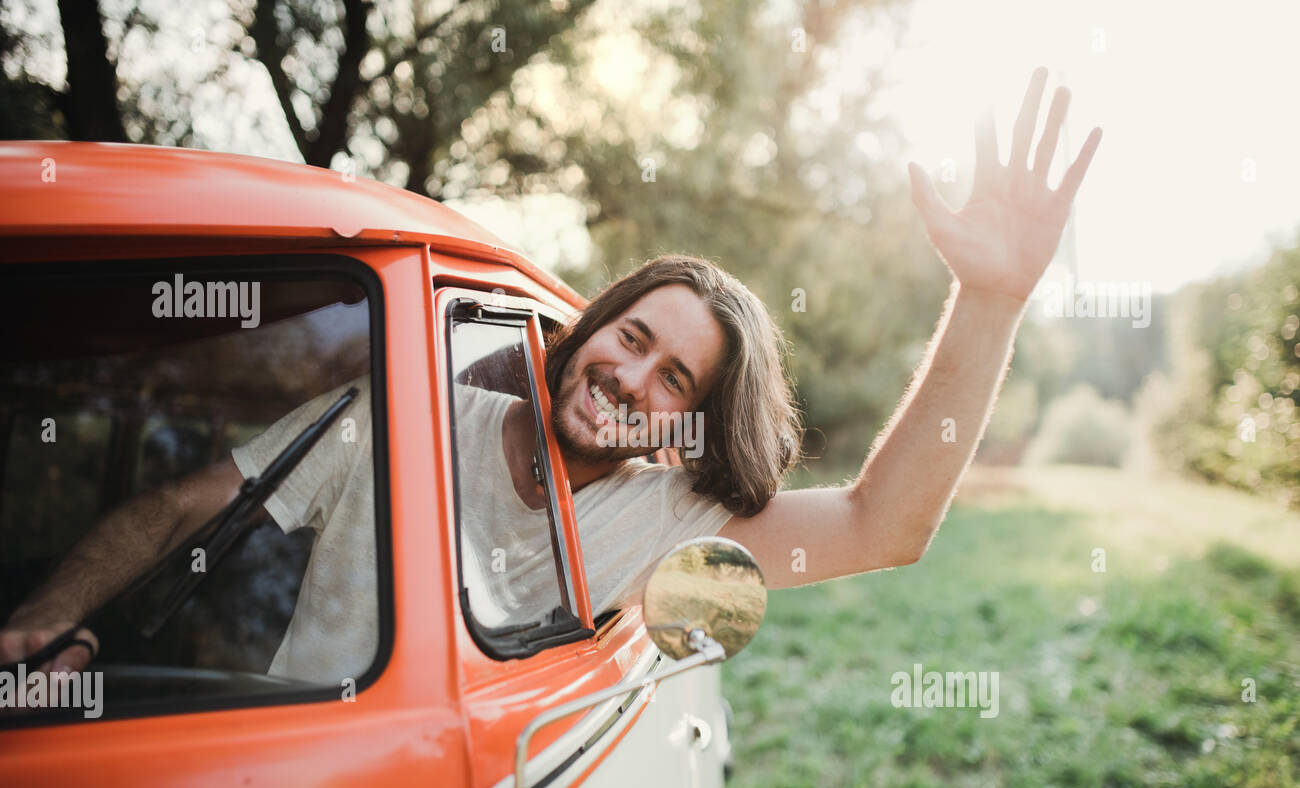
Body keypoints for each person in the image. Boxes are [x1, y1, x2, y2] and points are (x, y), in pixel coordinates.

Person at [0, 67, 1101, 683]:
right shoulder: (406, 415)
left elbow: (883, 523)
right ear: (589, 328)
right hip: (298, 774)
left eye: (676, 379)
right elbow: (183, 508)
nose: (633, 377)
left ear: (693, 420)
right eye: (632, 336)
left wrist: (993, 296)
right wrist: (46, 621)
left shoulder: (675, 517)